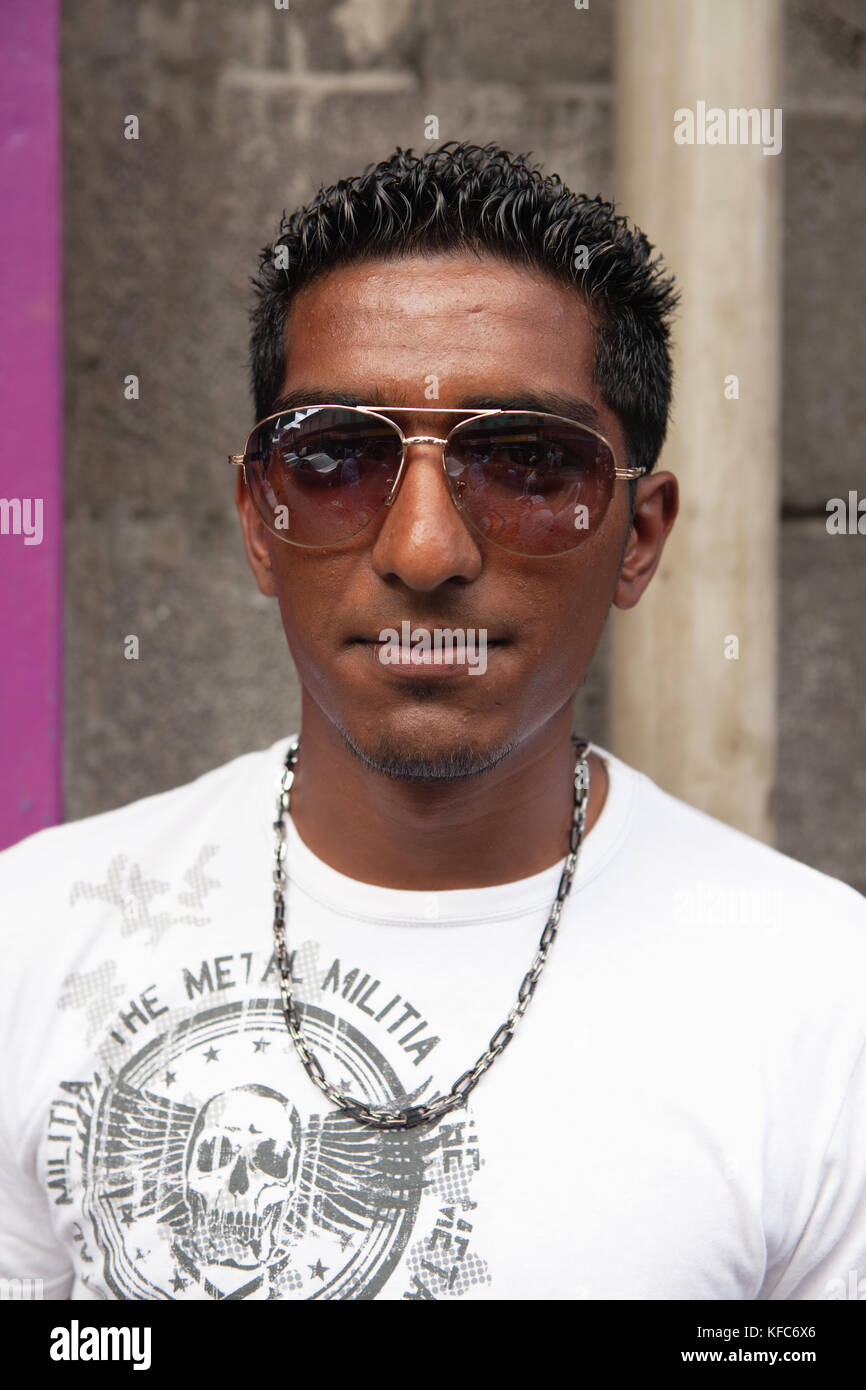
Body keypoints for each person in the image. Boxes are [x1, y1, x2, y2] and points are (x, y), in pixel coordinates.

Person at [1, 141, 864, 1303]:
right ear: (258, 520)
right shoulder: (38, 934)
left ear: (639, 536)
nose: (422, 550)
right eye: (336, 459)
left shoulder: (819, 998)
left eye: (521, 461)